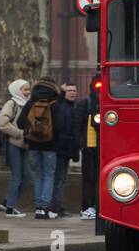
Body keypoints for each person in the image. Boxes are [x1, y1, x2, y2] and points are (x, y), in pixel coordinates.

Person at [16, 76, 63, 219]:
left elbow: (19, 123)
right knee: (49, 174)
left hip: (33, 144)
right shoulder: (55, 102)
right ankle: (45, 206)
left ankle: (38, 208)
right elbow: (61, 125)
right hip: (51, 145)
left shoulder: (31, 102)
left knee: (38, 175)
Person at [0, 79, 30, 217]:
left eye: (29, 89)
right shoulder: (12, 103)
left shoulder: (27, 104)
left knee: (26, 176)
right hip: (13, 144)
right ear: (17, 90)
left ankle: (7, 202)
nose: (27, 92)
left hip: (25, 145)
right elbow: (1, 122)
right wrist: (18, 133)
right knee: (17, 176)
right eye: (25, 90)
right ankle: (10, 208)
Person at [50, 83, 81, 217]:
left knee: (60, 179)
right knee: (59, 178)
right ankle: (56, 207)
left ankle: (57, 206)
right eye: (69, 91)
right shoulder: (62, 107)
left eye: (74, 90)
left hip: (65, 149)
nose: (72, 93)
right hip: (61, 149)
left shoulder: (71, 107)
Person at [78, 74, 101, 219]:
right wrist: (81, 144)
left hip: (102, 147)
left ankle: (97, 205)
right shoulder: (84, 104)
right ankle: (87, 206)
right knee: (89, 178)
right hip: (89, 147)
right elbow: (77, 126)